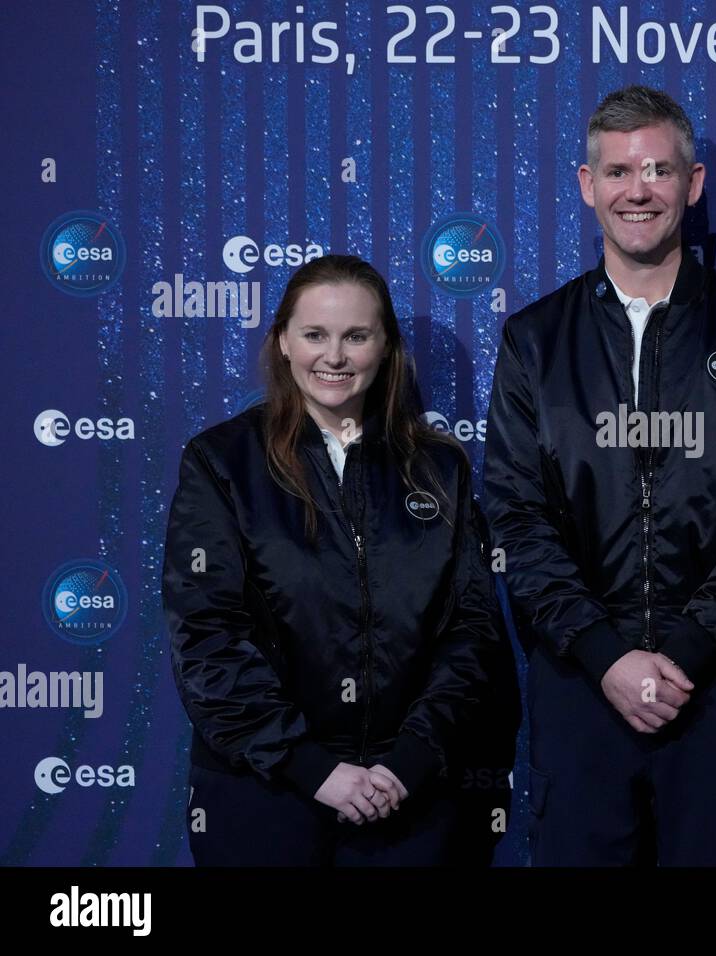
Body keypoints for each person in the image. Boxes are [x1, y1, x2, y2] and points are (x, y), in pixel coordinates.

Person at [483, 85, 716, 866]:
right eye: (619, 171)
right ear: (587, 184)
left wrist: (689, 650)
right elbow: (516, 515)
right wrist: (606, 656)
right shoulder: (534, 340)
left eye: (659, 170)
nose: (639, 189)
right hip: (580, 683)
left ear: (692, 185)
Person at [163, 254, 519, 866]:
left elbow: (472, 630)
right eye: (314, 335)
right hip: (267, 796)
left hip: (411, 799)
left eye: (356, 336)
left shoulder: (439, 469)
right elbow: (206, 635)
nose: (334, 356)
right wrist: (312, 768)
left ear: (386, 348)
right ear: (282, 342)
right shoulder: (221, 463)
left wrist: (409, 759)